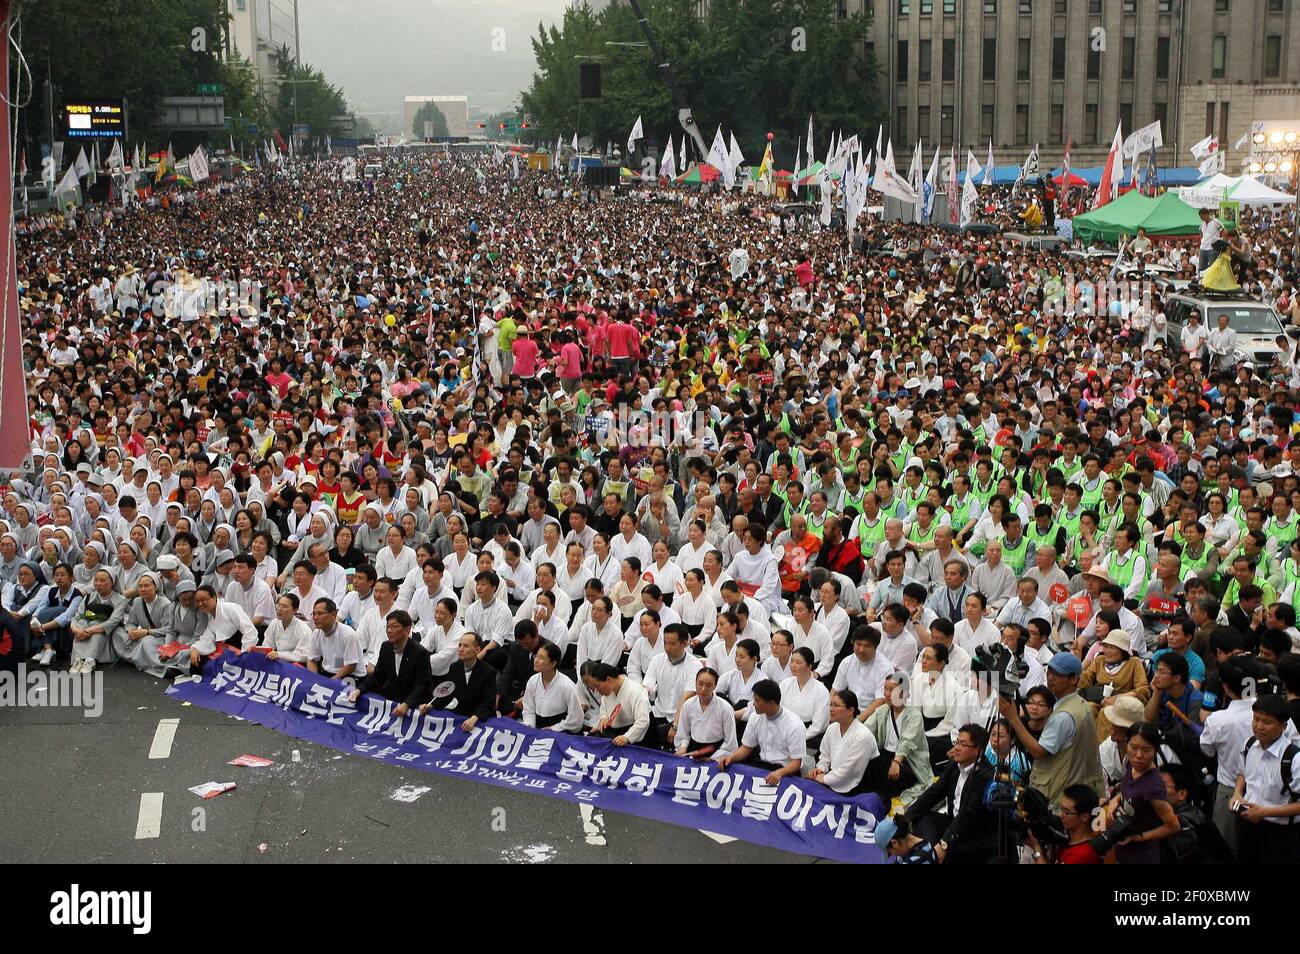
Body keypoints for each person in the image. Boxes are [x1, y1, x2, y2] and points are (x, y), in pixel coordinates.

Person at [999, 652, 1106, 806]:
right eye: (1049, 671)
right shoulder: (1079, 703)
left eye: (1057, 674)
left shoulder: (1064, 716)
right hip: (1076, 787)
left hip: (1060, 794)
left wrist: (1013, 718)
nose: (1050, 677)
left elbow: (1038, 751)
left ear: (1073, 679)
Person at [905, 724, 999, 865]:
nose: (956, 748)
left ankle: (933, 853)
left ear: (978, 750)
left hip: (973, 833)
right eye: (957, 742)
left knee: (953, 851)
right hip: (952, 822)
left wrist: (944, 843)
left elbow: (967, 816)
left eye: (963, 744)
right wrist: (907, 815)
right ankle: (932, 851)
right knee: (920, 817)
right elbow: (935, 792)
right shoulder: (954, 764)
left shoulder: (984, 775)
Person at [1231, 693, 1300, 864]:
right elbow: (1242, 774)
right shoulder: (1249, 745)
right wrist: (1237, 794)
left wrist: (1266, 812)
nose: (1259, 726)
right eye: (1256, 719)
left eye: (1267, 722)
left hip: (1279, 834)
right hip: (1247, 827)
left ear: (1283, 726)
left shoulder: (1293, 758)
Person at [1104, 721, 1182, 864]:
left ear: (1155, 750)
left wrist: (1139, 837)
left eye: (1146, 750)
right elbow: (1128, 789)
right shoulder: (1130, 765)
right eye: (1133, 747)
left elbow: (1173, 826)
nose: (1139, 755)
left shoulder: (1153, 786)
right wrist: (1116, 799)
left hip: (1142, 855)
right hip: (1123, 849)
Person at [717, 678, 806, 786]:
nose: (753, 704)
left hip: (785, 770)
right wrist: (731, 757)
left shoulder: (795, 725)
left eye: (757, 700)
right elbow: (746, 748)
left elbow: (796, 763)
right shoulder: (755, 716)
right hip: (761, 765)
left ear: (771, 703)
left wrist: (780, 773)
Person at [349, 609, 433, 718]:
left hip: (415, 704)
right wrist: (358, 690)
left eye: (394, 626)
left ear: (407, 629)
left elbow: (422, 685)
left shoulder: (420, 653)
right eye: (387, 627)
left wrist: (407, 704)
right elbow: (377, 677)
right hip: (394, 699)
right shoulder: (386, 647)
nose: (389, 630)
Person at [421, 632, 498, 732]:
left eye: (466, 646)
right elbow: (447, 692)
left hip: (481, 719)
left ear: (477, 650)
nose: (461, 649)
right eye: (460, 645)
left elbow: (488, 702)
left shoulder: (489, 672)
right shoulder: (454, 667)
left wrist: (474, 718)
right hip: (462, 716)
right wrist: (430, 705)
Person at [808, 688, 879, 794]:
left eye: (836, 706)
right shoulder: (832, 728)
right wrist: (821, 769)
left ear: (851, 710)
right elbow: (825, 756)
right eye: (830, 705)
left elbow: (850, 771)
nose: (831, 709)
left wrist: (824, 779)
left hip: (860, 784)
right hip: (834, 777)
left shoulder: (863, 736)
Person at [1023, 784, 1103, 864]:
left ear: (1084, 817)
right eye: (1061, 809)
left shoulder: (1083, 854)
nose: (1061, 815)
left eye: (1066, 812)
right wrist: (1040, 846)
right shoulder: (1067, 841)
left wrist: (1037, 849)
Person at [675, 666, 738, 760]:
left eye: (708, 685)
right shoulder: (688, 705)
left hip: (716, 751)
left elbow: (731, 744)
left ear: (715, 686)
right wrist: (683, 747)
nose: (703, 689)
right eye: (700, 684)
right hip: (693, 749)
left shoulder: (725, 708)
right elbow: (683, 734)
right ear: (695, 683)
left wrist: (713, 758)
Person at [520, 640, 584, 732]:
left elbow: (576, 719)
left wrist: (554, 729)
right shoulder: (533, 681)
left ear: (553, 663)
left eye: (541, 658)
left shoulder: (567, 685)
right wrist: (531, 728)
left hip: (560, 731)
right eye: (536, 656)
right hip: (538, 729)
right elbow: (528, 709)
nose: (536, 660)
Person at [304, 596, 364, 682]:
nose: (315, 618)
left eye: (320, 613)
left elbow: (351, 666)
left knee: (338, 693)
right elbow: (311, 660)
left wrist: (329, 682)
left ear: (333, 614)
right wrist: (315, 678)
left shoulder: (347, 634)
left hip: (351, 676)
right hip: (328, 673)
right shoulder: (316, 633)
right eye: (313, 614)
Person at [589, 662, 651, 746]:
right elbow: (604, 710)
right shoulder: (607, 693)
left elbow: (643, 721)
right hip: (615, 732)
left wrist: (627, 737)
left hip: (638, 734)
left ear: (608, 679)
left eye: (598, 686)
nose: (597, 691)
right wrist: (603, 718)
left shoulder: (635, 690)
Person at [873, 813, 938, 864]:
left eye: (890, 853)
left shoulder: (916, 860)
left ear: (895, 843)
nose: (893, 855)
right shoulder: (924, 844)